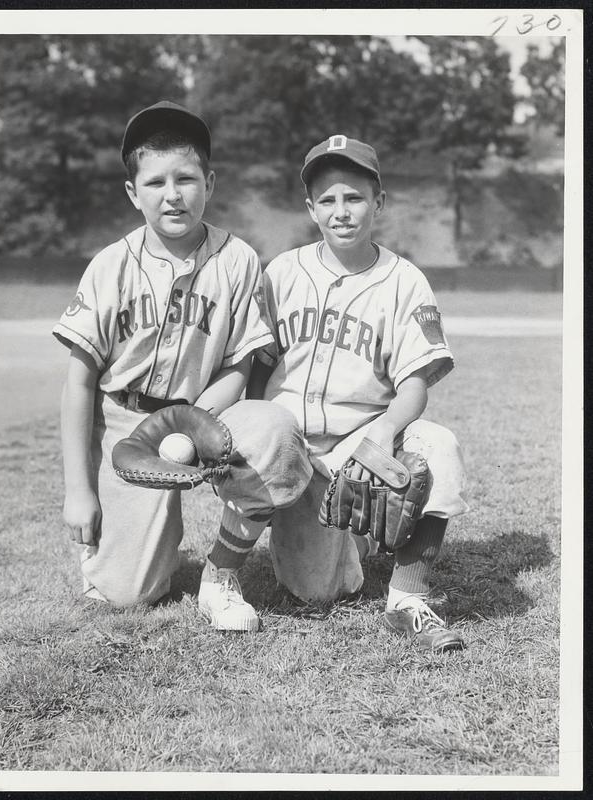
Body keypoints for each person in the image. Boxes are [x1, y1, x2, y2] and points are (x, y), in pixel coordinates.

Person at [53, 101, 310, 629]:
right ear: (133, 193)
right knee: (128, 594)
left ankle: (221, 573)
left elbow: (241, 366)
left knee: (275, 428)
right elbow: (79, 383)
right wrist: (78, 491)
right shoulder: (111, 265)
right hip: (126, 420)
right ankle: (133, 544)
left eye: (186, 178)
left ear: (210, 184)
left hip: (207, 412)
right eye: (155, 182)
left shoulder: (237, 260)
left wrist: (193, 422)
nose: (173, 194)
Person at [243, 135, 469, 651]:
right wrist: (252, 438)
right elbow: (260, 367)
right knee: (319, 590)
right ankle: (361, 535)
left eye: (354, 197)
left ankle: (407, 600)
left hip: (362, 438)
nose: (341, 212)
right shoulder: (282, 273)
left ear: (379, 202)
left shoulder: (405, 280)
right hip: (293, 447)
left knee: (439, 446)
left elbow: (414, 383)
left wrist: (385, 434)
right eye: (328, 200)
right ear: (310, 209)